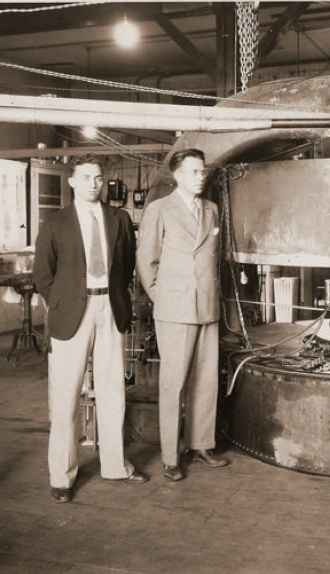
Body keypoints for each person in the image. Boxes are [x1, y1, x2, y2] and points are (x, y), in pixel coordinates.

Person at [34, 156, 148, 503]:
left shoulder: (119, 219)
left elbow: (126, 267)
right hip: (71, 313)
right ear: (71, 181)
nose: (92, 184)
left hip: (110, 308)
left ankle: (115, 465)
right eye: (85, 178)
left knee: (113, 391)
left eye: (97, 178)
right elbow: (43, 274)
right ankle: (61, 476)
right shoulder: (55, 222)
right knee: (65, 396)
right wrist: (62, 303)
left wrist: (114, 300)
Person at [136, 148, 229, 482]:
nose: (201, 177)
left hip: (207, 306)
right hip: (175, 308)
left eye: (202, 171)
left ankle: (201, 444)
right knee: (173, 384)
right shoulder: (160, 209)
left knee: (206, 380)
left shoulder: (212, 210)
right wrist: (162, 298)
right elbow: (146, 261)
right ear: (177, 176)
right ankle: (170, 457)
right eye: (194, 172)